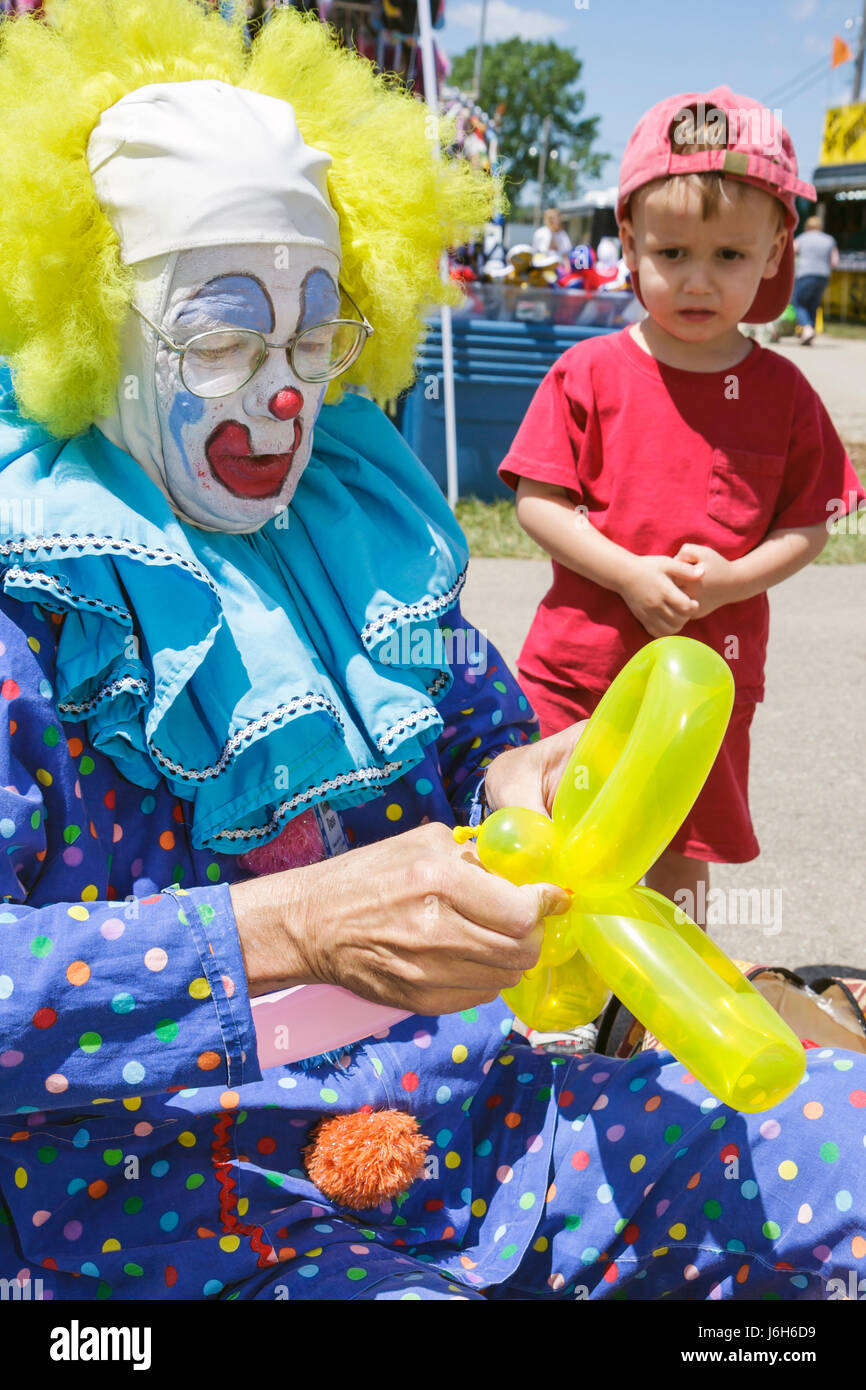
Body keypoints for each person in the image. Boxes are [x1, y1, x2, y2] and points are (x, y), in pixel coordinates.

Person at [0, 10, 865, 1304]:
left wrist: (525, 784)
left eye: (312, 335)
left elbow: (485, 748)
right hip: (174, 1211)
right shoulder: (32, 603)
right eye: (223, 337)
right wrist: (292, 927)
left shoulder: (365, 544)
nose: (284, 393)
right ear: (85, 324)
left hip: (487, 1136)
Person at [500, 87, 864, 918]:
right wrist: (627, 573)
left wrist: (737, 580)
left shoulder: (785, 392)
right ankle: (542, 1000)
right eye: (672, 253)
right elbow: (540, 504)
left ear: (776, 252)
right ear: (628, 242)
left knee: (678, 848)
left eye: (730, 257)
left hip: (707, 681)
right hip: (579, 667)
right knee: (553, 830)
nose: (698, 281)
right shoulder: (588, 371)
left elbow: (810, 521)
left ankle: (654, 1013)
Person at [792, 215, 839, 344]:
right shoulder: (829, 239)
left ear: (807, 226)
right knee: (813, 304)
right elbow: (835, 261)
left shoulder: (803, 238)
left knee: (798, 302)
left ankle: (807, 329)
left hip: (805, 273)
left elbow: (792, 251)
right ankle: (809, 332)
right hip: (823, 275)